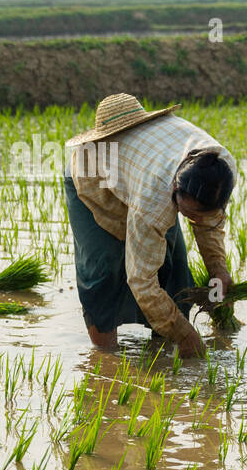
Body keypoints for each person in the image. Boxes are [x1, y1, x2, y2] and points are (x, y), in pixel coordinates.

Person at [64, 93, 235, 358]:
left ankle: (161, 348)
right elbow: (141, 281)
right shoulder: (154, 197)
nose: (197, 221)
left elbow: (209, 222)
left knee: (174, 265)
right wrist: (185, 334)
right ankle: (104, 356)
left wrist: (219, 270)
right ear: (175, 189)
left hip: (139, 171)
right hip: (93, 177)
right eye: (189, 213)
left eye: (203, 214)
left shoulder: (220, 168)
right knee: (104, 267)